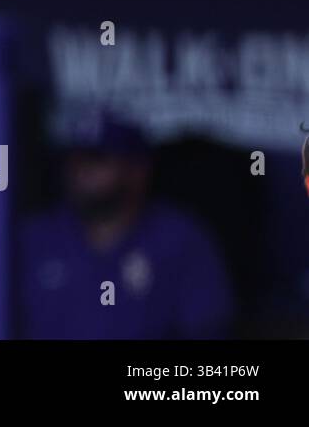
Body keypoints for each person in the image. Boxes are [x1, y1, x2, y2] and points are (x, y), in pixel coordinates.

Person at [17, 110, 233, 339]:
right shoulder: (35, 239)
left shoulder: (179, 241)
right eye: (74, 159)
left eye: (96, 159)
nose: (81, 171)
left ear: (138, 170)